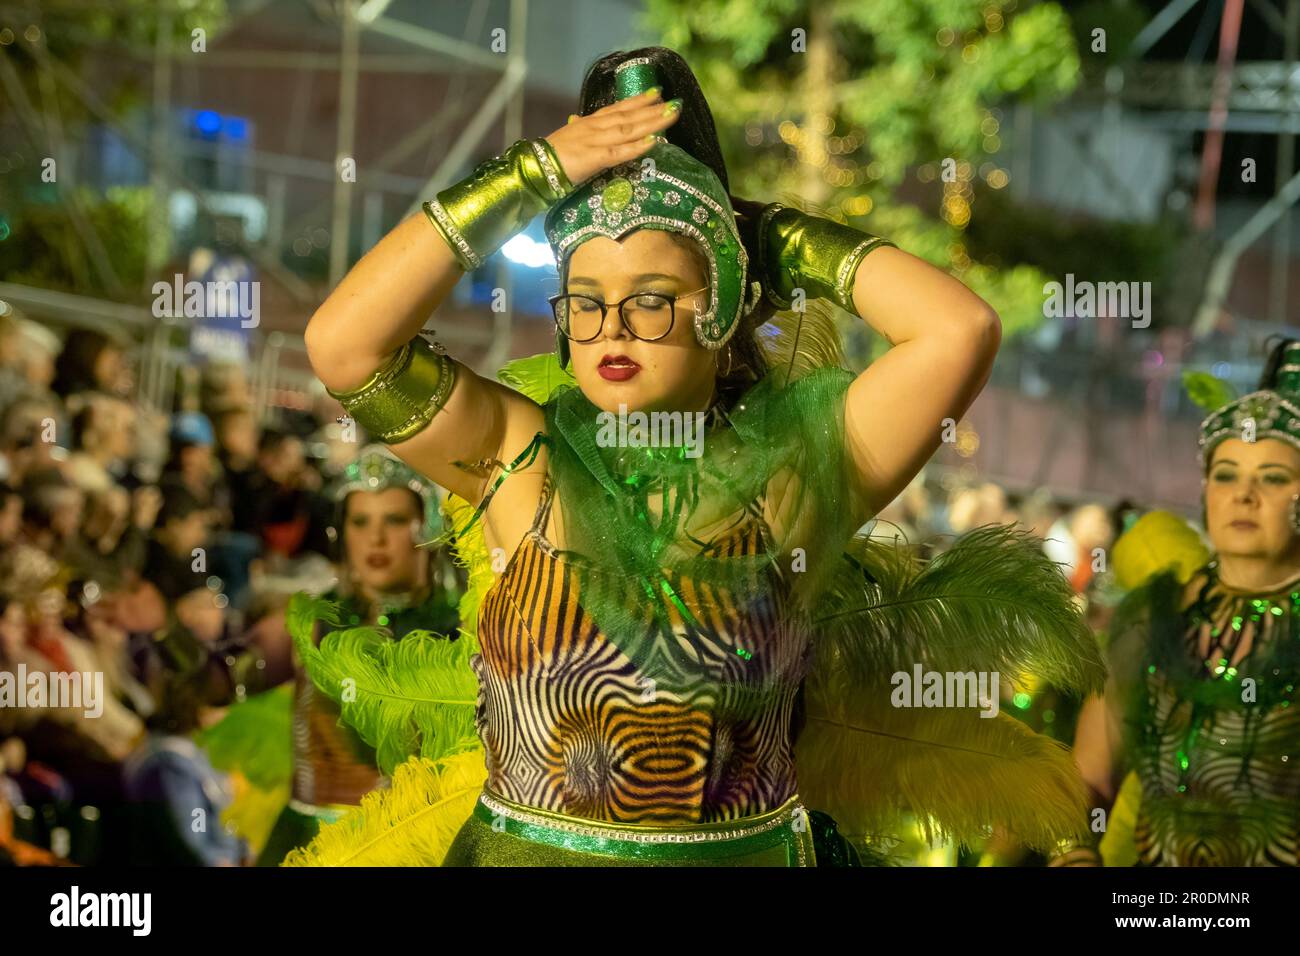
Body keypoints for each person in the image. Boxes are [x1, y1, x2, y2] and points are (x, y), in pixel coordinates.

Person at [297, 48, 1104, 867]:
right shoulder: (520, 460)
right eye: (586, 301)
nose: (612, 326)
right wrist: (531, 174)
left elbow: (959, 329)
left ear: (721, 314)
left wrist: (770, 235)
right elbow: (344, 346)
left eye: (652, 298)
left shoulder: (796, 479)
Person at [1064, 339, 1300, 866]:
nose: (1244, 494)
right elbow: (1088, 777)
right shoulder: (1156, 614)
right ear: (1206, 490)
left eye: (1273, 478)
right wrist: (1073, 852)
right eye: (1227, 474)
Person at [252, 445, 461, 865]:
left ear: (428, 528)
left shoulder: (462, 630)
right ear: (342, 533)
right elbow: (217, 678)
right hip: (312, 845)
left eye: (395, 520)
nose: (376, 538)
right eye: (360, 521)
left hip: (415, 849)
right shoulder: (309, 622)